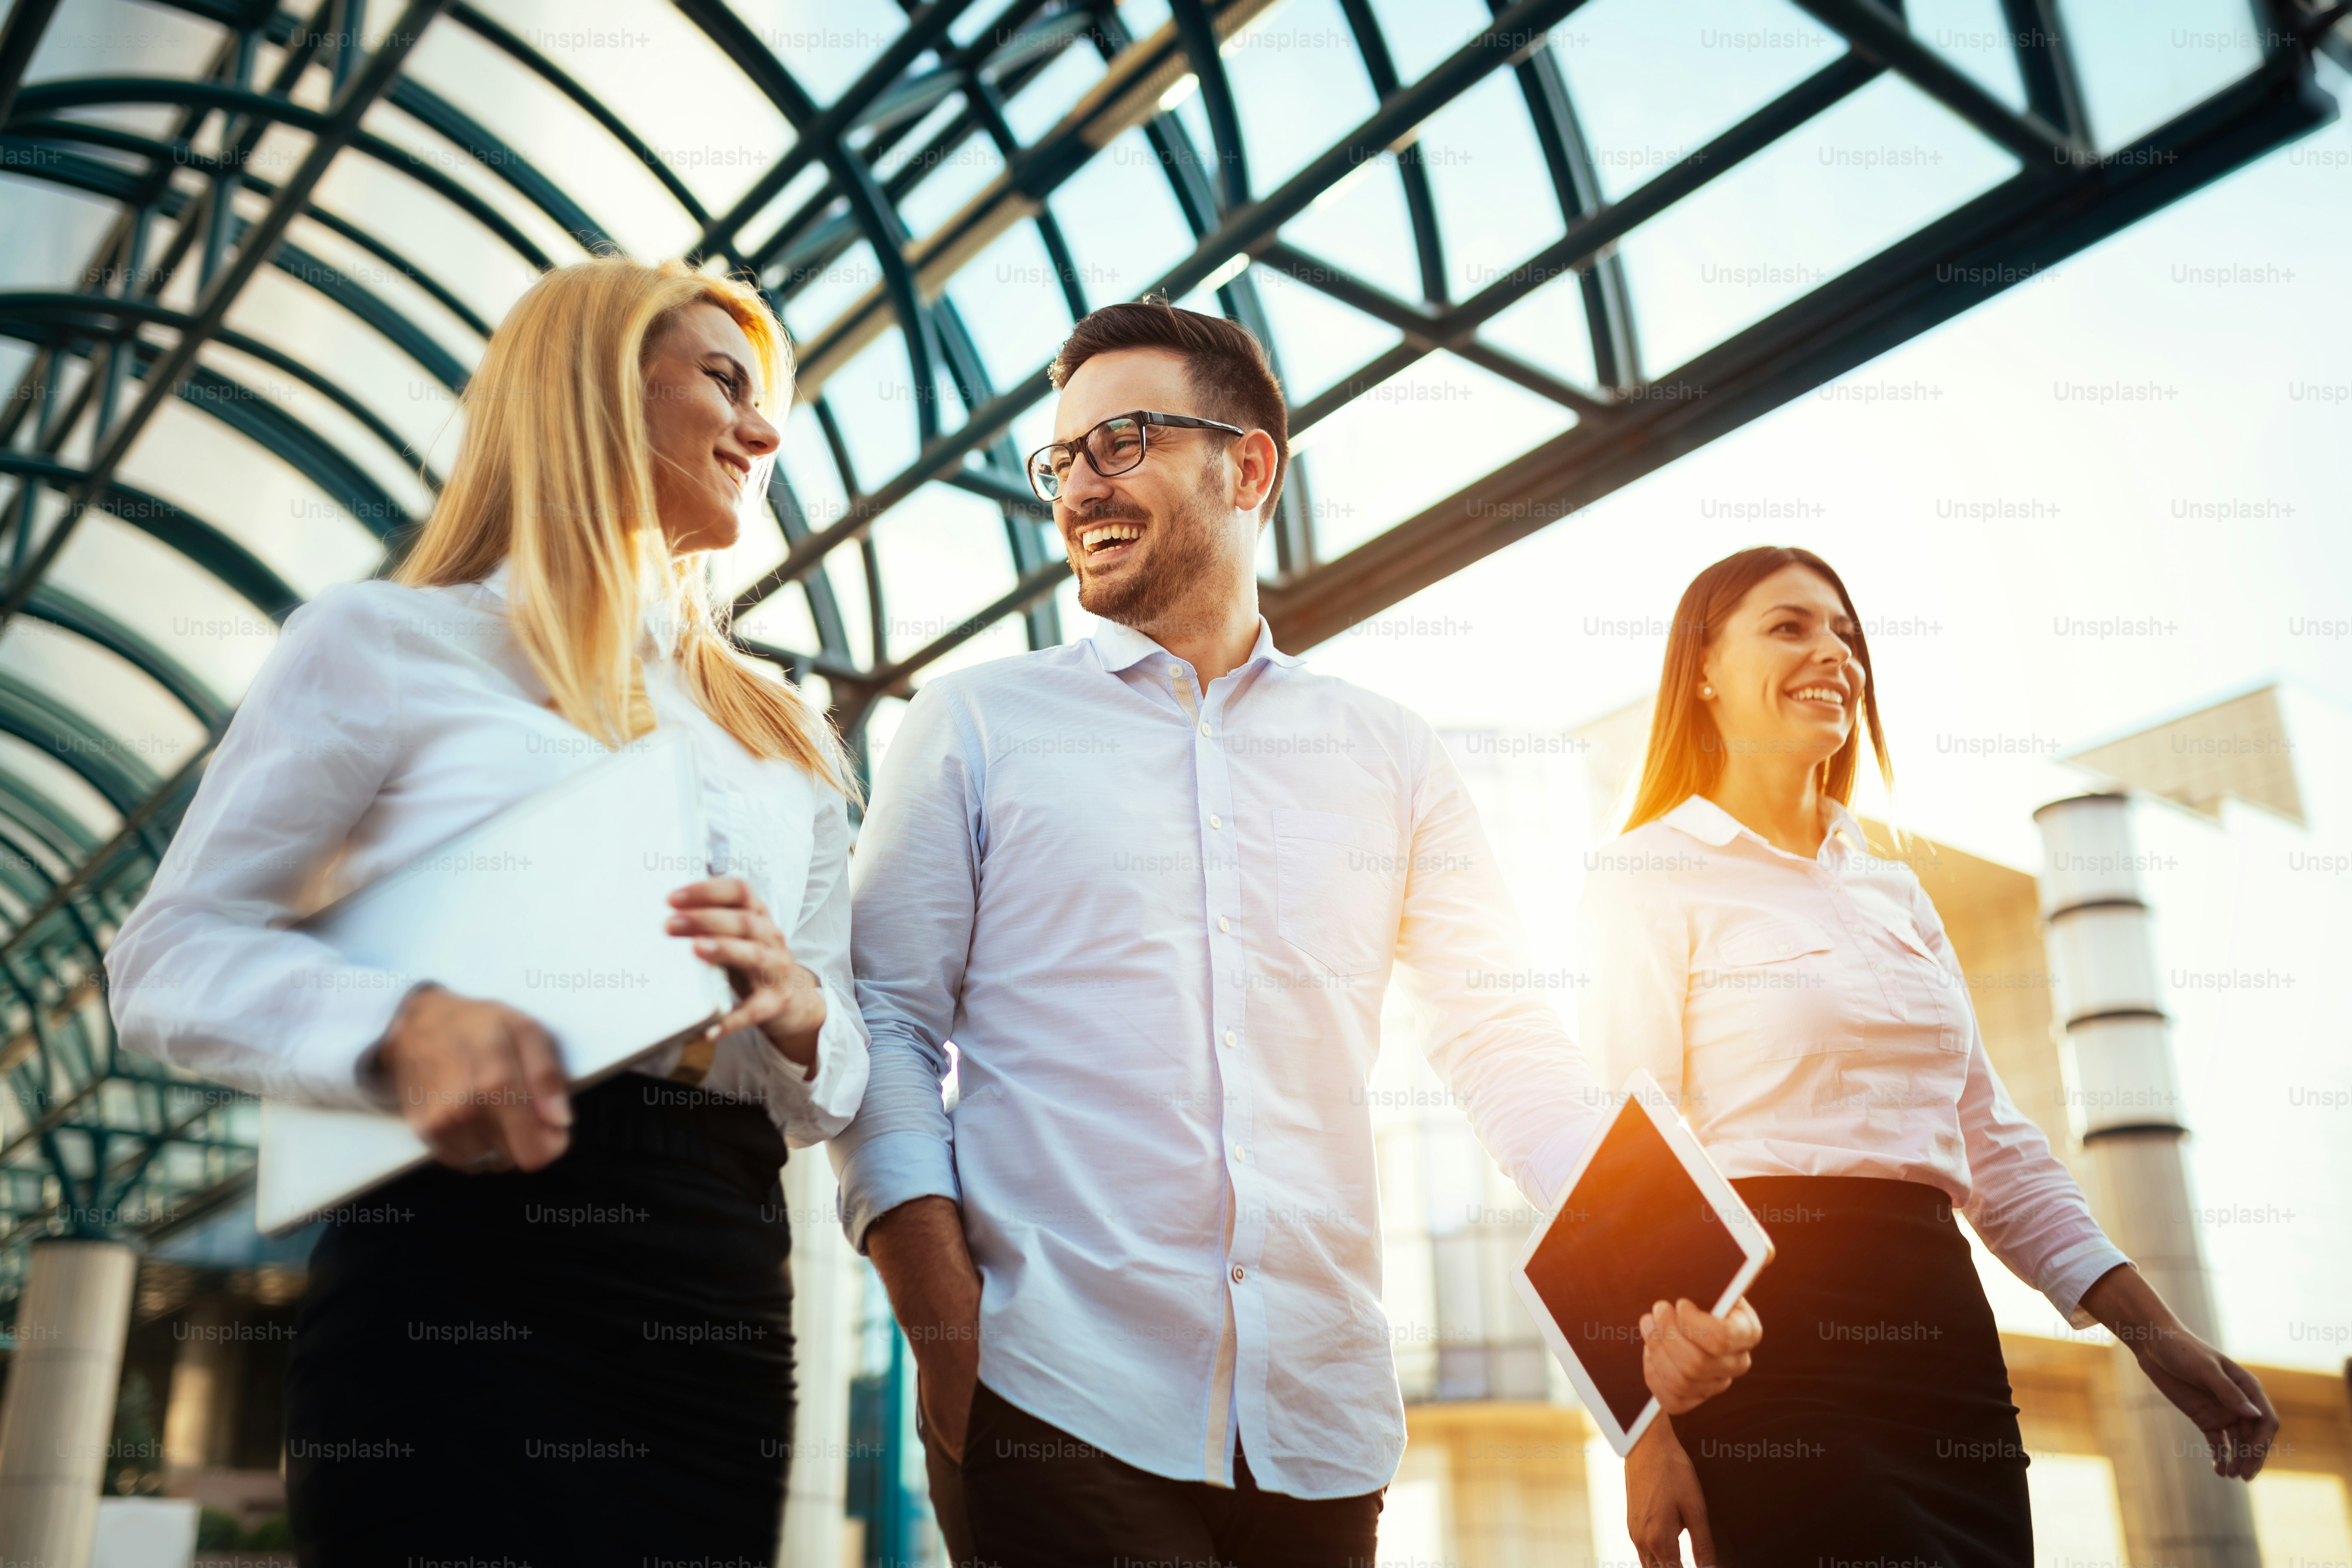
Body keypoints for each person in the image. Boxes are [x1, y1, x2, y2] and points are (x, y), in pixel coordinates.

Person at [832, 299, 1760, 1568]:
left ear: (1249, 463)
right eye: (1062, 459)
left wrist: (1661, 1272)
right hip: (1056, 1401)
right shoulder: (973, 724)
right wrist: (950, 1343)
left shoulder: (1388, 750)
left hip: (1322, 1430)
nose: (1078, 487)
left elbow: (1498, 1038)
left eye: (1123, 443)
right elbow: (885, 1022)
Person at [104, 257, 869, 1566]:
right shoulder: (386, 643)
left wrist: (804, 1015)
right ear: (591, 388)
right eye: (725, 381)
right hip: (462, 1247)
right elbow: (166, 960)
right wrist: (400, 1024)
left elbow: (827, 1089)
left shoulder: (787, 732)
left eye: (772, 398)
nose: (768, 429)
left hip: (712, 1275)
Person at [1583, 545, 2279, 1566]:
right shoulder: (1648, 873)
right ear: (1701, 670)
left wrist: (2153, 1332)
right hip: (1766, 1345)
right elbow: (1627, 1161)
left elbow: (1990, 1142)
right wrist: (1643, 1439)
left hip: (1943, 1337)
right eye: (1791, 627)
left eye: (1846, 633)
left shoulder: (1895, 893)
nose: (1835, 654)